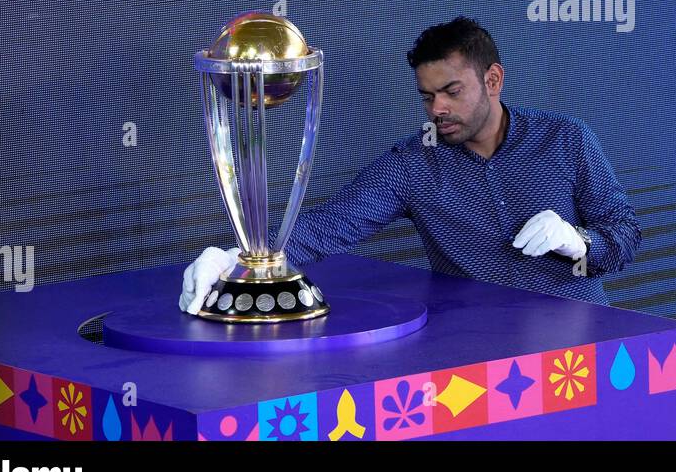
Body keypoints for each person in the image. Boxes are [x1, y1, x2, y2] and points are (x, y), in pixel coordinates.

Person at [180, 16, 641, 309]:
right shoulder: (412, 164)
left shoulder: (565, 138)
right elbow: (328, 226)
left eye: (452, 91)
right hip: (480, 351)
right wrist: (235, 260)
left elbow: (625, 236)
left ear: (493, 79)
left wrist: (579, 241)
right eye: (427, 96)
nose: (437, 108)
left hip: (581, 343)